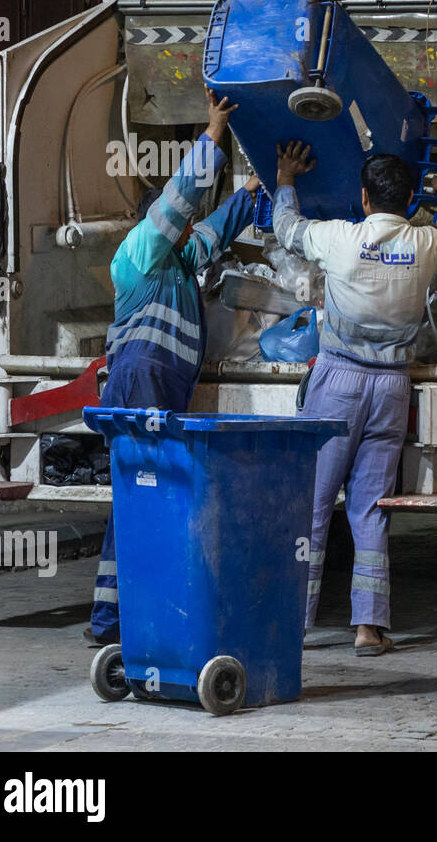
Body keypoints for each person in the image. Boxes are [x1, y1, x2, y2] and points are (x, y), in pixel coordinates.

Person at [89, 88, 261, 644]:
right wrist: (213, 133)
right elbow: (183, 197)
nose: (189, 228)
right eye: (179, 225)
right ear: (159, 226)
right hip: (142, 380)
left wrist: (262, 189)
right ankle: (119, 619)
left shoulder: (181, 261)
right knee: (146, 493)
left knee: (146, 494)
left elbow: (216, 229)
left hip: (155, 384)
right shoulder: (139, 253)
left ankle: (121, 615)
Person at [271, 144, 437, 656]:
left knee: (312, 502)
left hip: (340, 382)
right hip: (393, 387)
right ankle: (369, 628)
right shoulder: (428, 244)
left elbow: (286, 229)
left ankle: (295, 620)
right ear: (410, 198)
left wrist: (286, 179)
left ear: (363, 196)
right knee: (370, 508)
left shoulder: (339, 238)